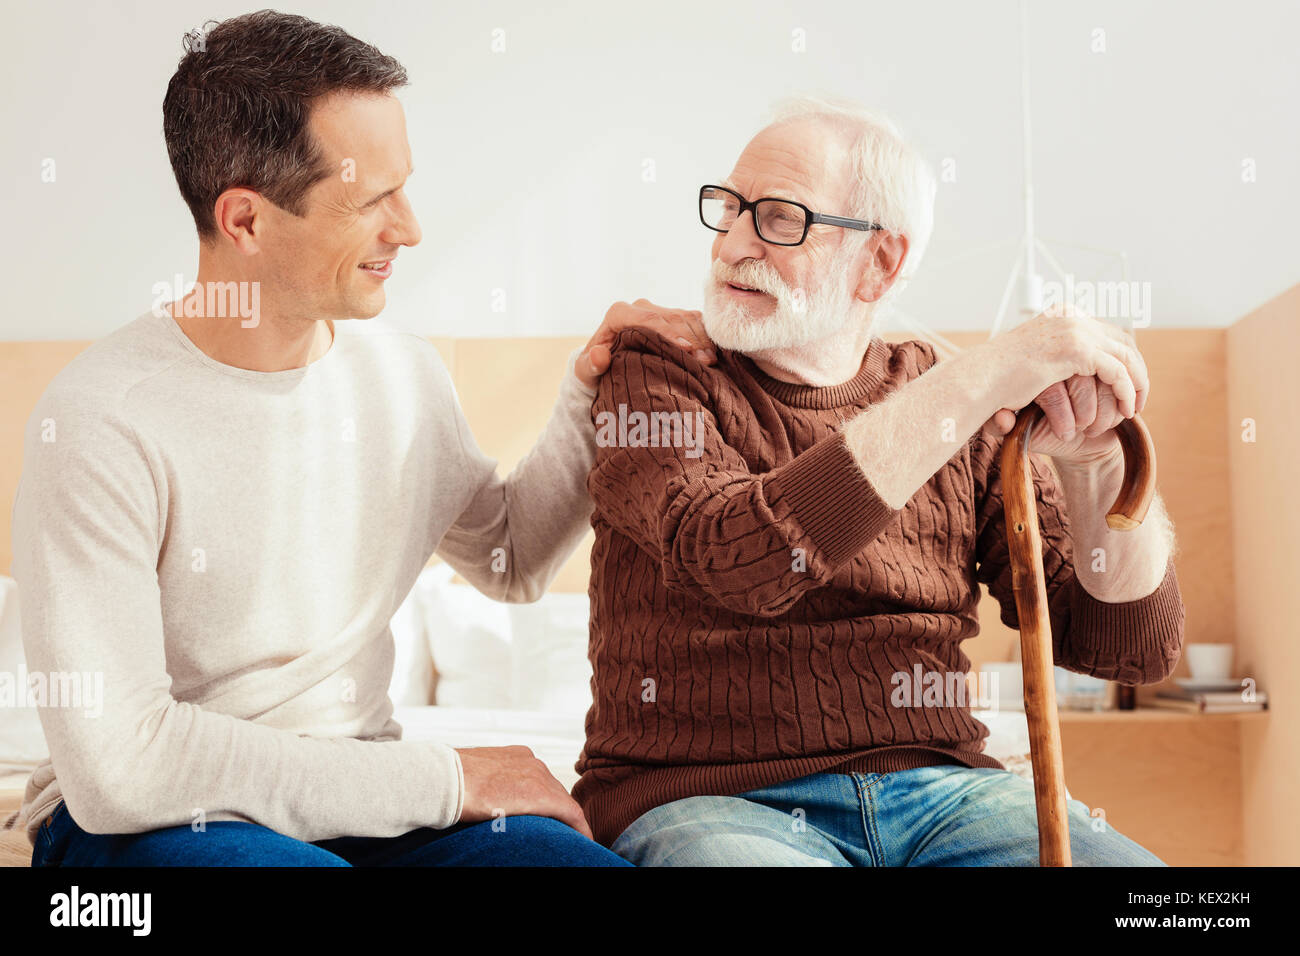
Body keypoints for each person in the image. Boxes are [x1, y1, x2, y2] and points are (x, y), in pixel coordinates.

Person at [14, 10, 714, 867]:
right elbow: (122, 769)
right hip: (159, 823)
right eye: (371, 200)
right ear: (245, 221)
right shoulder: (100, 418)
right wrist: (449, 780)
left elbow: (512, 558)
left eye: (404, 186)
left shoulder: (401, 377)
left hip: (369, 803)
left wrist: (589, 391)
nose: (410, 228)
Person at [573, 96, 1185, 866]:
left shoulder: (943, 397)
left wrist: (1097, 465)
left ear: (881, 262)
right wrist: (978, 380)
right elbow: (739, 560)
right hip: (709, 798)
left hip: (945, 795)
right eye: (729, 208)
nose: (729, 244)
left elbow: (1129, 649)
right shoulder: (656, 368)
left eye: (778, 218)